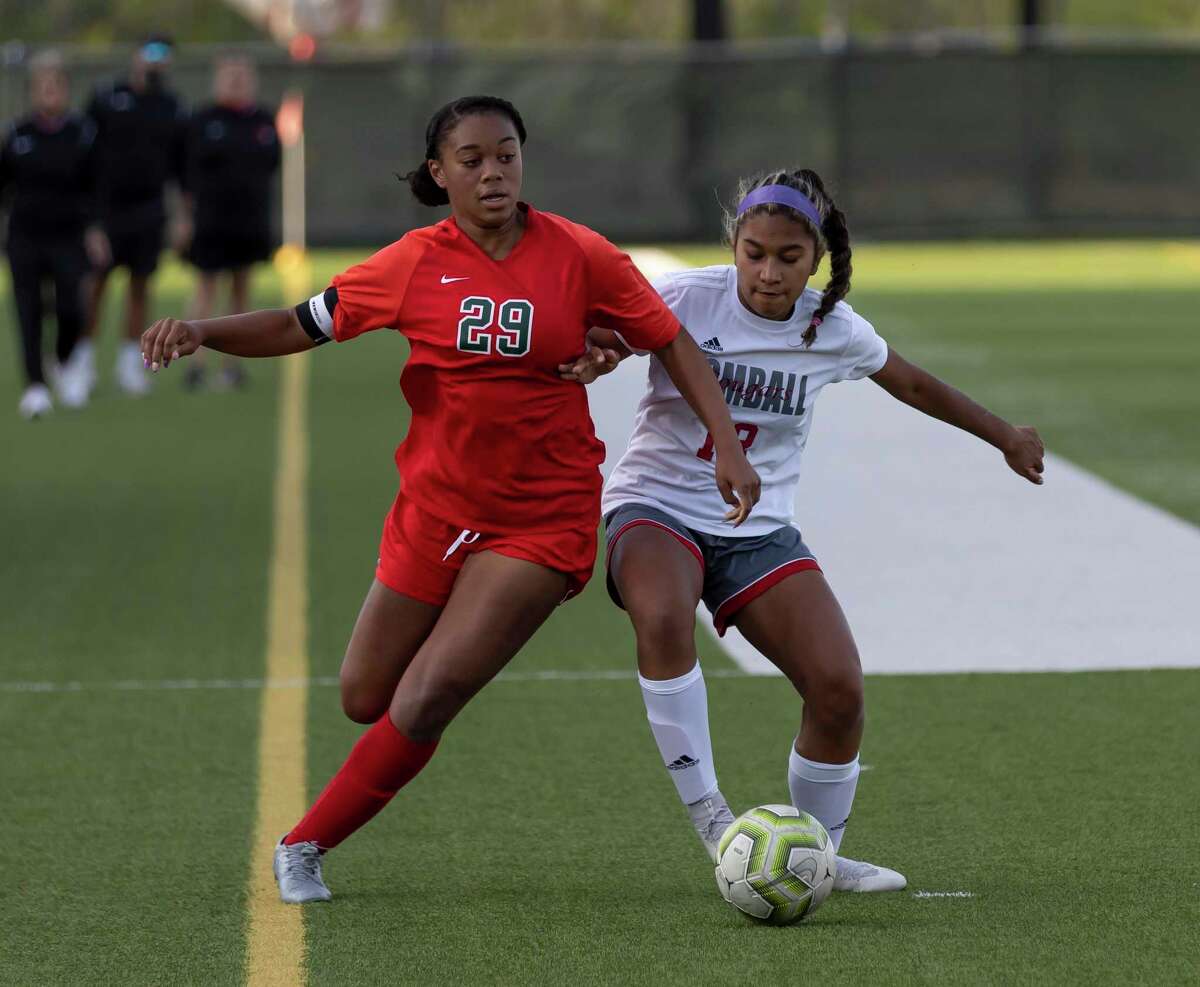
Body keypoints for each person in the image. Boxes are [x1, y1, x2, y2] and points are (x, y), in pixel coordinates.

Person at [139, 95, 760, 904]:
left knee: (429, 694)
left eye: (506, 154)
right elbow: (303, 323)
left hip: (544, 515)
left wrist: (727, 444)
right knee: (366, 696)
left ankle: (303, 845)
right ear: (440, 173)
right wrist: (204, 331)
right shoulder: (408, 263)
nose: (493, 171)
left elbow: (666, 336)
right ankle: (377, 755)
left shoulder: (579, 253)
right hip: (433, 507)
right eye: (471, 159)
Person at [582, 168, 1045, 892]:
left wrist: (1005, 435)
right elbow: (601, 329)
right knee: (663, 613)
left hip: (759, 530)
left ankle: (813, 858)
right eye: (754, 252)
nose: (768, 272)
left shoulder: (832, 328)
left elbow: (915, 383)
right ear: (734, 245)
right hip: (657, 506)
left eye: (788, 258)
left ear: (817, 258)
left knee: (839, 689)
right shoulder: (683, 296)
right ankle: (714, 820)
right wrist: (595, 346)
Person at [71, 35, 186, 398]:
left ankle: (129, 365)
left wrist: (182, 214)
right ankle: (80, 361)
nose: (155, 61)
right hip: (107, 210)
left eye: (163, 55)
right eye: (150, 52)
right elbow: (83, 157)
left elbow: (180, 165)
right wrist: (89, 217)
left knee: (140, 285)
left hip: (149, 209)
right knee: (95, 285)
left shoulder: (171, 105)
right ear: (137, 56)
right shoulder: (106, 98)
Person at [0, 51, 109, 419]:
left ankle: (62, 359)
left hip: (68, 235)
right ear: (34, 91)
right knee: (27, 311)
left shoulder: (83, 133)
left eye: (55, 85)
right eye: (42, 85)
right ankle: (35, 386)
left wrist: (95, 230)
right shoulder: (17, 134)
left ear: (64, 89)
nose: (49, 91)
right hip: (25, 237)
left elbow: (95, 186)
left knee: (70, 307)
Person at [180, 54, 280, 391]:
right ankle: (194, 363)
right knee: (205, 289)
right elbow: (188, 174)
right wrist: (184, 219)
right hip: (211, 221)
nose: (236, 81)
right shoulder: (203, 119)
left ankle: (232, 366)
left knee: (241, 290)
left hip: (249, 221)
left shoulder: (263, 120)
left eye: (242, 75)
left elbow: (271, 165)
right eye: (230, 75)